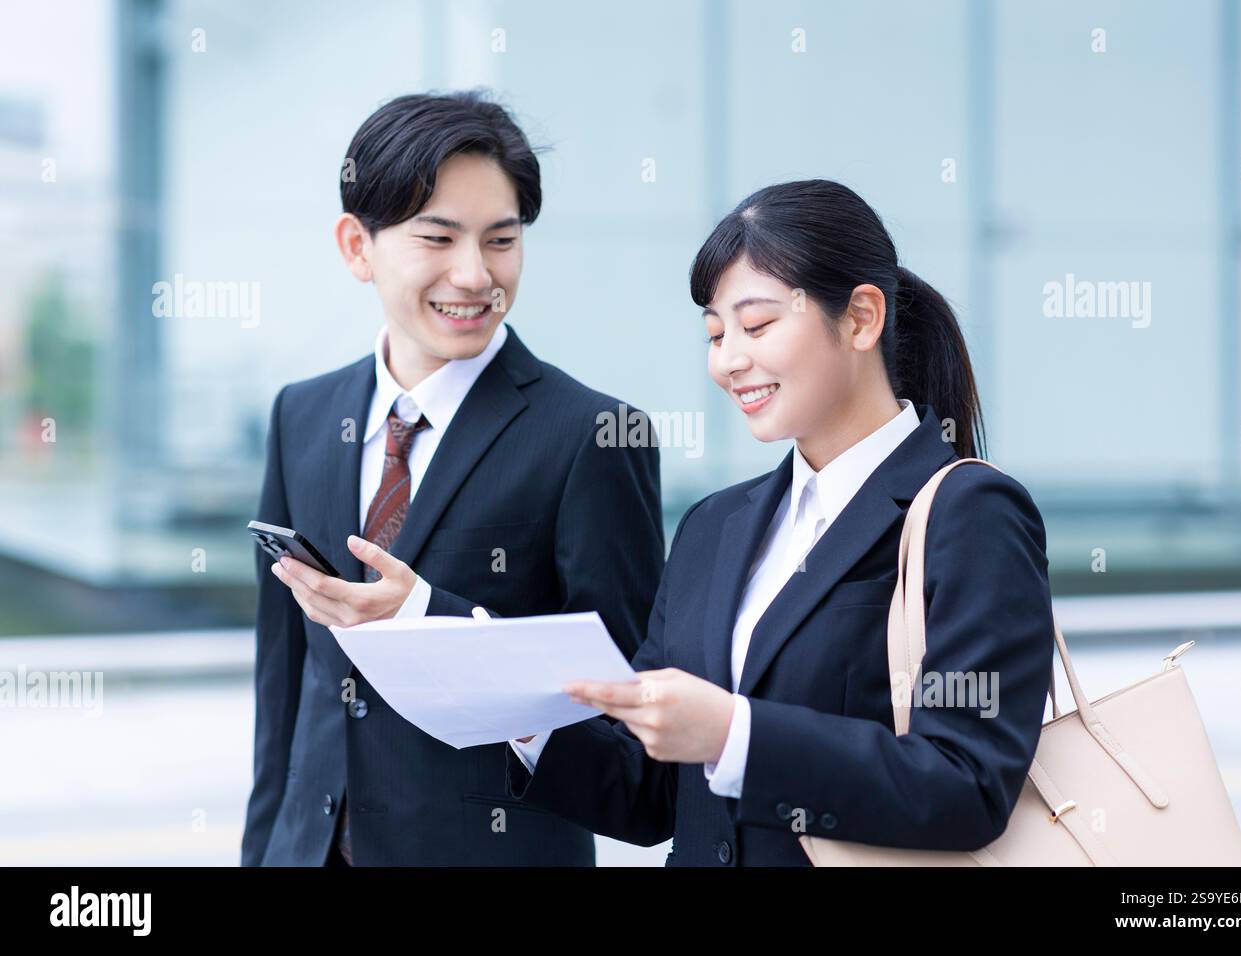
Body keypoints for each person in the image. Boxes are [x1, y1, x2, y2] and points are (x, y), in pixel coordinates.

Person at [504, 179, 1057, 866]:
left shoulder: (966, 514)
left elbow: (968, 783)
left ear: (860, 318)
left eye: (757, 325)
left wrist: (737, 734)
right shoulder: (713, 526)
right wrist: (521, 717)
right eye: (714, 332)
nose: (728, 360)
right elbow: (651, 795)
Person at [240, 91, 664, 867]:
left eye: (501, 241)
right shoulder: (301, 415)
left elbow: (626, 718)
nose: (475, 276)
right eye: (437, 238)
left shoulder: (593, 436)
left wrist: (428, 616)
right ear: (357, 246)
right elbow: (284, 683)